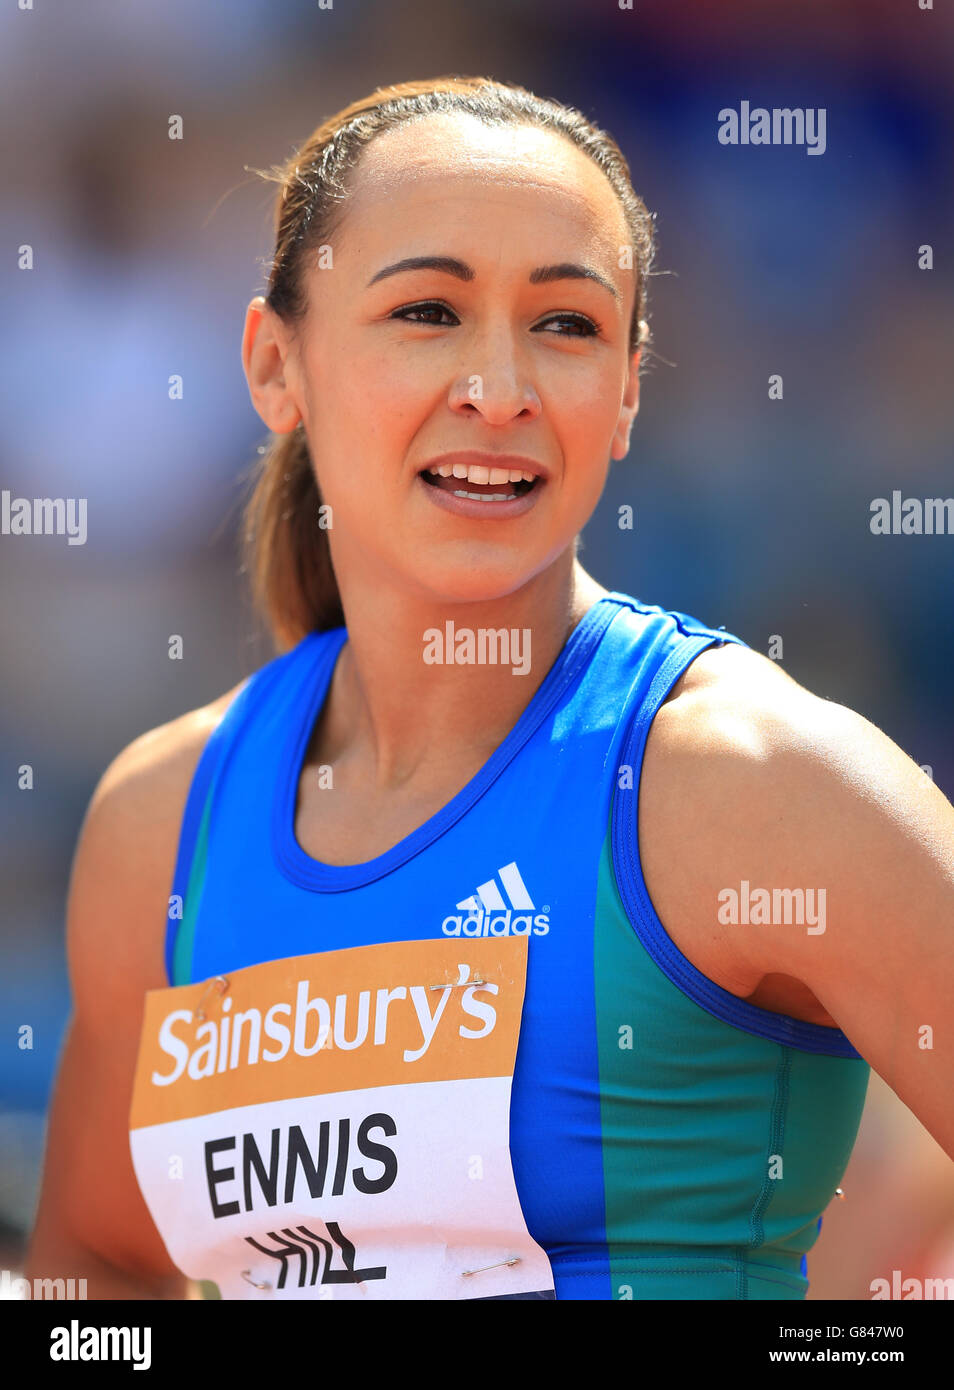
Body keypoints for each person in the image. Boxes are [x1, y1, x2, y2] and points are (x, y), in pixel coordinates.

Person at [26, 76, 954, 1301]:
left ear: (626, 392)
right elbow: (94, 1282)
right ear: (275, 365)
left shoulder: (760, 789)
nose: (500, 389)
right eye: (428, 310)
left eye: (567, 326)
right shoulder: (163, 823)